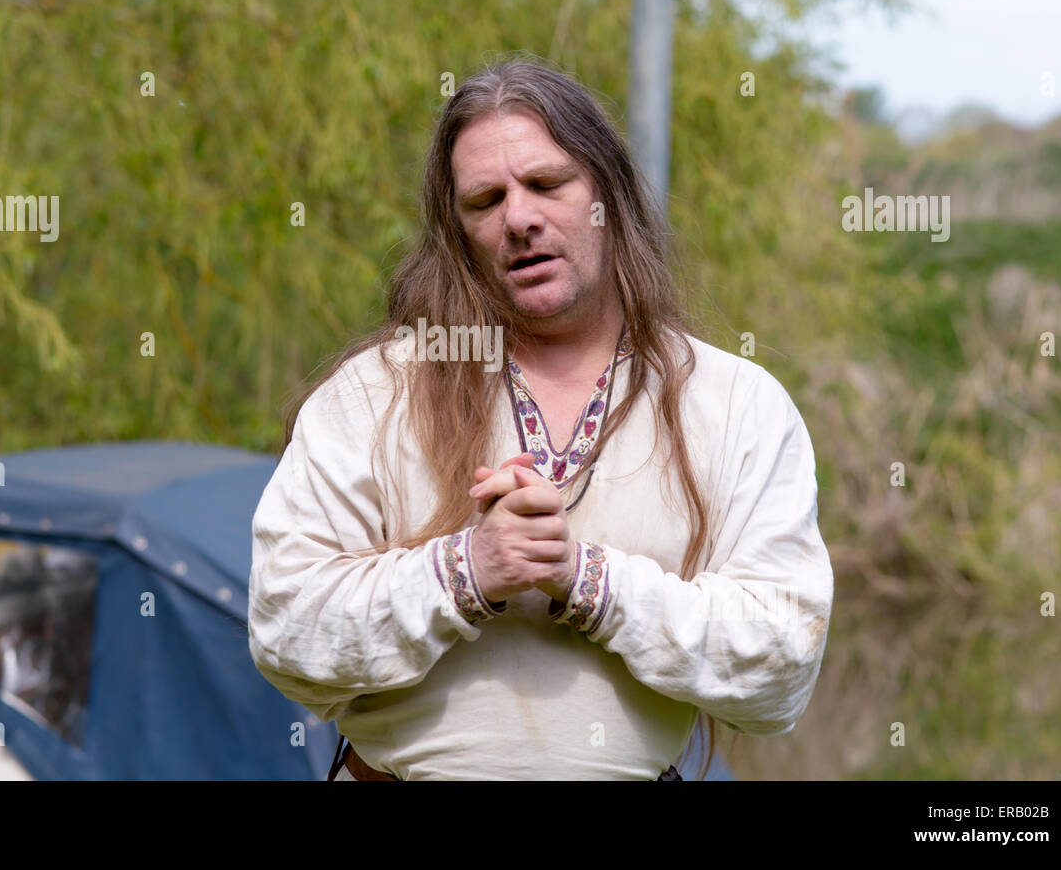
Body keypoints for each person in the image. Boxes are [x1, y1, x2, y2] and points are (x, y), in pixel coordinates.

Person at [249, 57, 833, 780]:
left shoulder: (737, 402)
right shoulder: (372, 396)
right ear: (457, 232)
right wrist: (467, 569)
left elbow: (781, 667)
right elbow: (286, 630)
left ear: (609, 195)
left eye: (548, 184)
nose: (519, 219)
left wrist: (593, 583)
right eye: (484, 201)